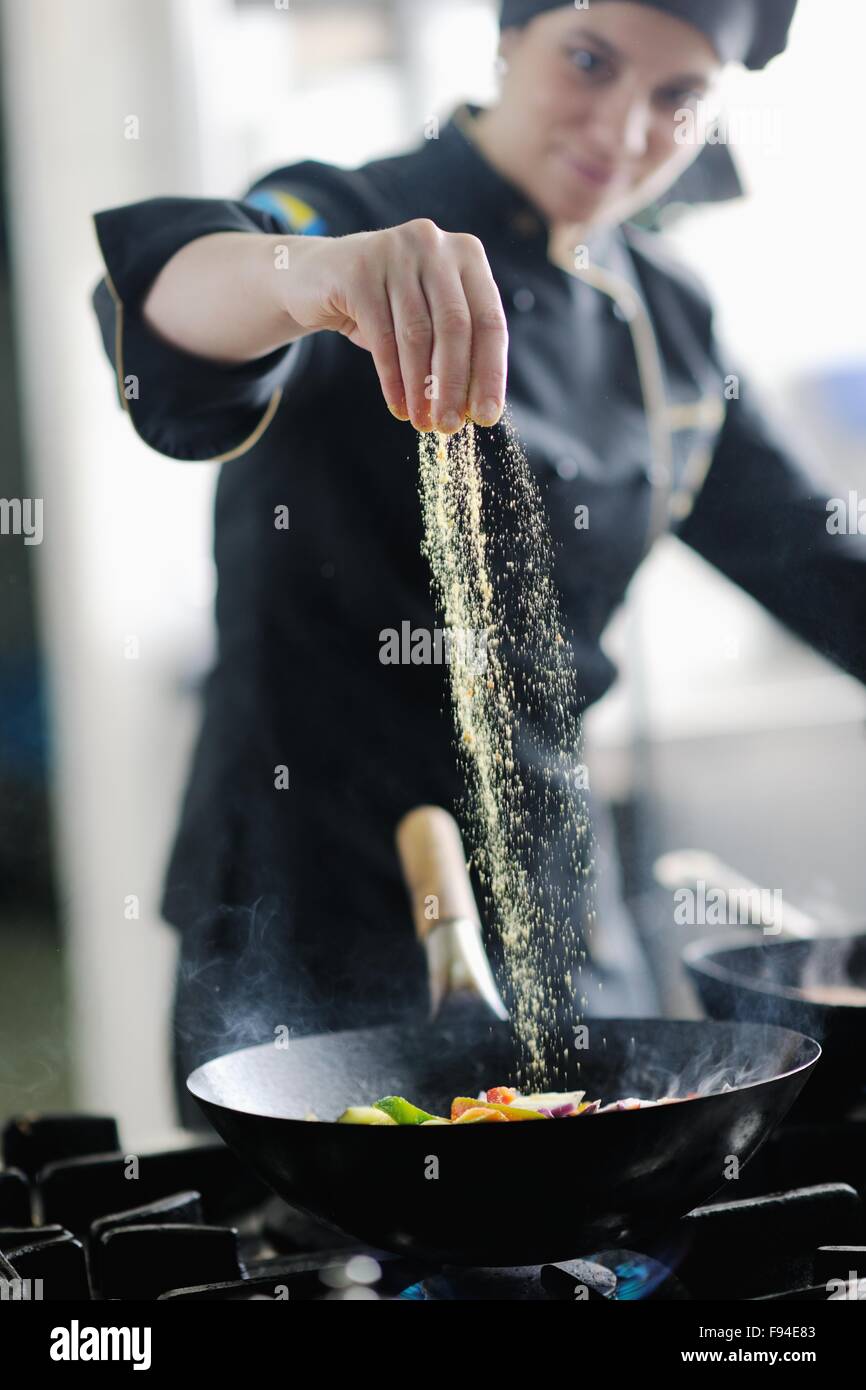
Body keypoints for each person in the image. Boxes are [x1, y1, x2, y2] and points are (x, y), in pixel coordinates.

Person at [91, 0, 864, 1128]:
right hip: (312, 906)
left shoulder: (668, 317)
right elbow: (171, 296)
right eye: (588, 61)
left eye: (675, 97)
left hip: (557, 902)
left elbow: (815, 558)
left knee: (600, 1192)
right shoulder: (349, 218)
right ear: (508, 39)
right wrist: (308, 279)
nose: (622, 128)